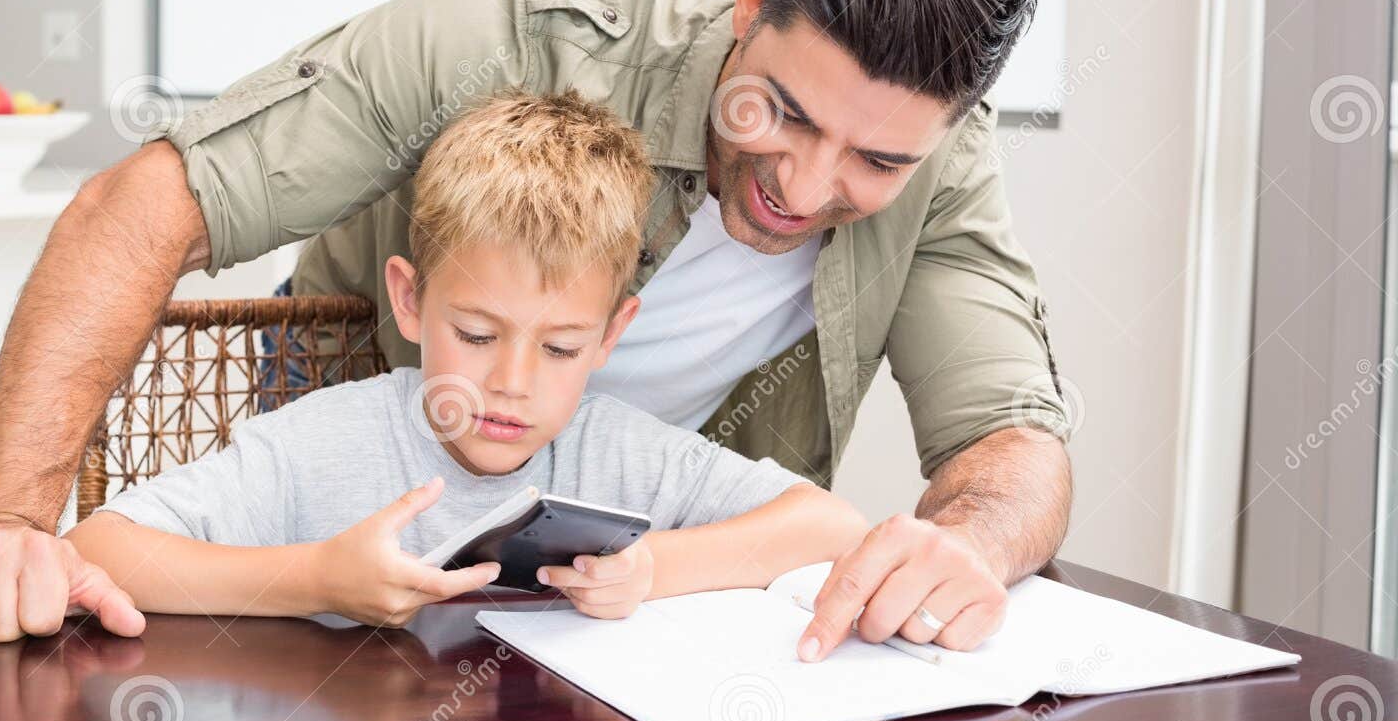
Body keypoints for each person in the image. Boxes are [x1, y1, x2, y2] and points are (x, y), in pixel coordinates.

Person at [0, 0, 1071, 653]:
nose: (805, 190)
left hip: (633, 563)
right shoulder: (520, 24)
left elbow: (1011, 440)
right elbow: (143, 205)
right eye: (786, 112)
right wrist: (7, 530)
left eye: (875, 163)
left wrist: (962, 547)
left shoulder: (949, 170)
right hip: (373, 472)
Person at [62, 92, 868, 625]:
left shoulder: (615, 447)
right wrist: (315, 577)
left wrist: (652, 566)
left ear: (612, 334)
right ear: (409, 301)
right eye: (478, 335)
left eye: (560, 347)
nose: (512, 383)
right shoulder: (325, 441)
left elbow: (832, 526)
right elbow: (98, 550)